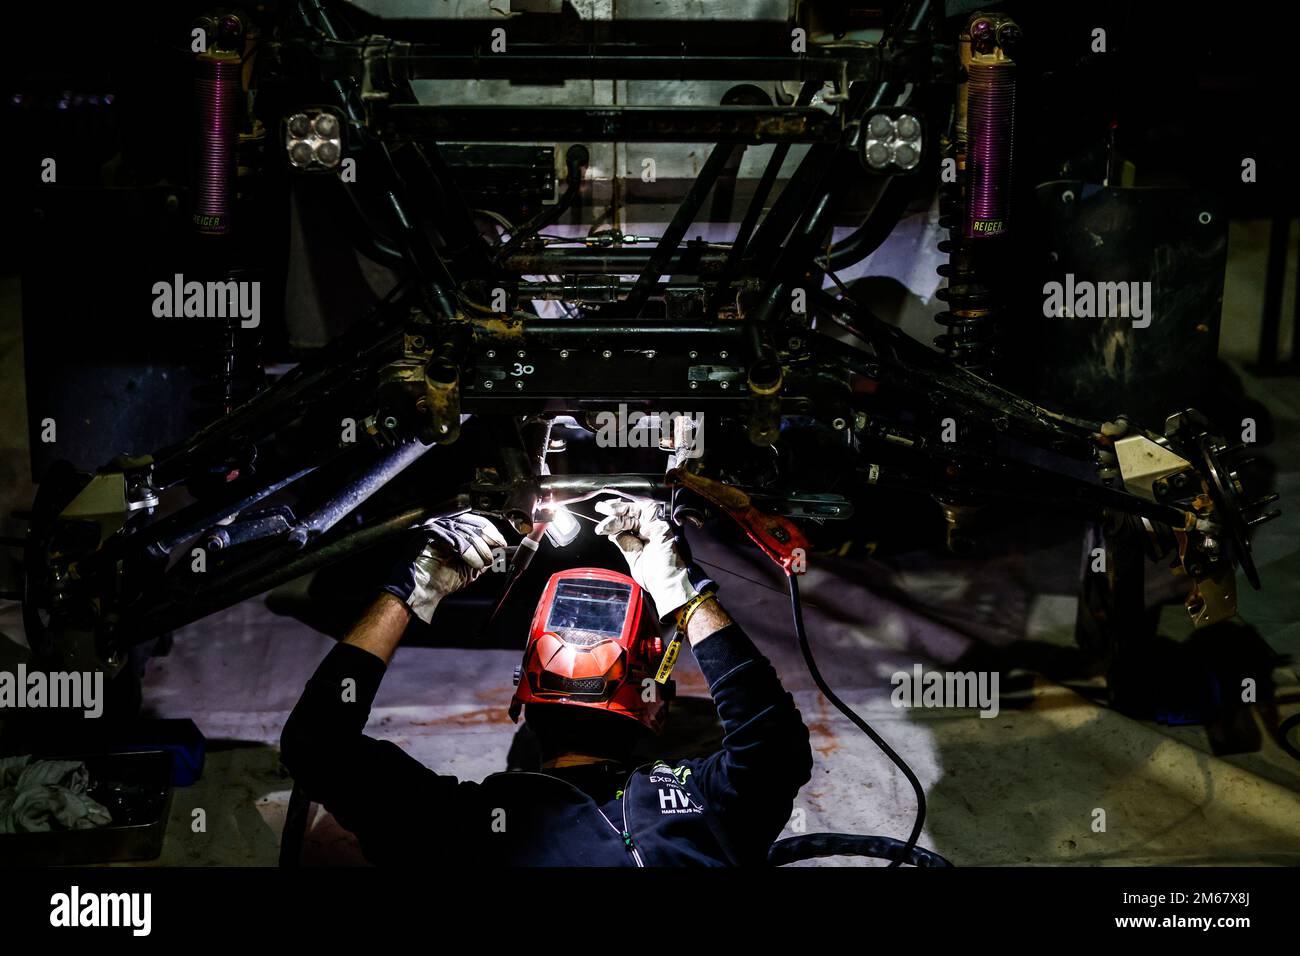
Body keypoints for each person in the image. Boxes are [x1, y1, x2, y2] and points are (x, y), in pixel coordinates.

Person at [280, 497, 812, 865]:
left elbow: (316, 743)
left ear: (522, 703)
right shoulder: (701, 807)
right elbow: (773, 741)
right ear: (653, 709)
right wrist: (684, 593)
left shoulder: (462, 830)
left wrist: (412, 588)